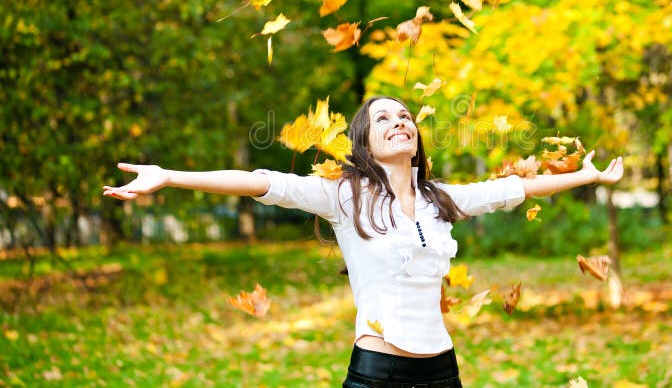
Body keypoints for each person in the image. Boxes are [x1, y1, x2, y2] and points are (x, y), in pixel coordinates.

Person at [103, 95, 624, 387]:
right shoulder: (343, 198)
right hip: (379, 374)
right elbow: (262, 181)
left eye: (405, 117)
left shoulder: (442, 198)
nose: (399, 122)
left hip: (443, 371)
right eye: (383, 118)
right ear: (365, 143)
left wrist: (590, 177)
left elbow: (517, 188)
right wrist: (169, 176)